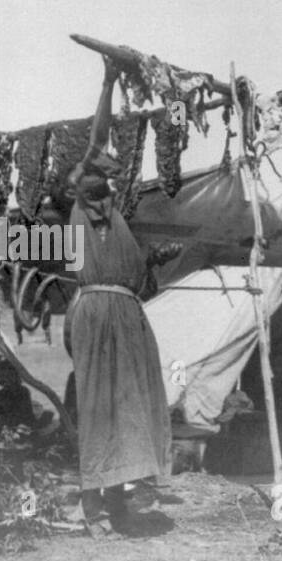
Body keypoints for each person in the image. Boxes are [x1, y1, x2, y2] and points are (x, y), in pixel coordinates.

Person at [65, 59, 172, 529]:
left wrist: (154, 261)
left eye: (104, 184)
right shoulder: (78, 208)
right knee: (98, 406)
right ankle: (92, 507)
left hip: (127, 313)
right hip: (94, 312)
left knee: (131, 402)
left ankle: (121, 496)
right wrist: (109, 81)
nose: (99, 189)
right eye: (92, 182)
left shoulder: (119, 213)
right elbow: (100, 137)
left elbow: (138, 279)